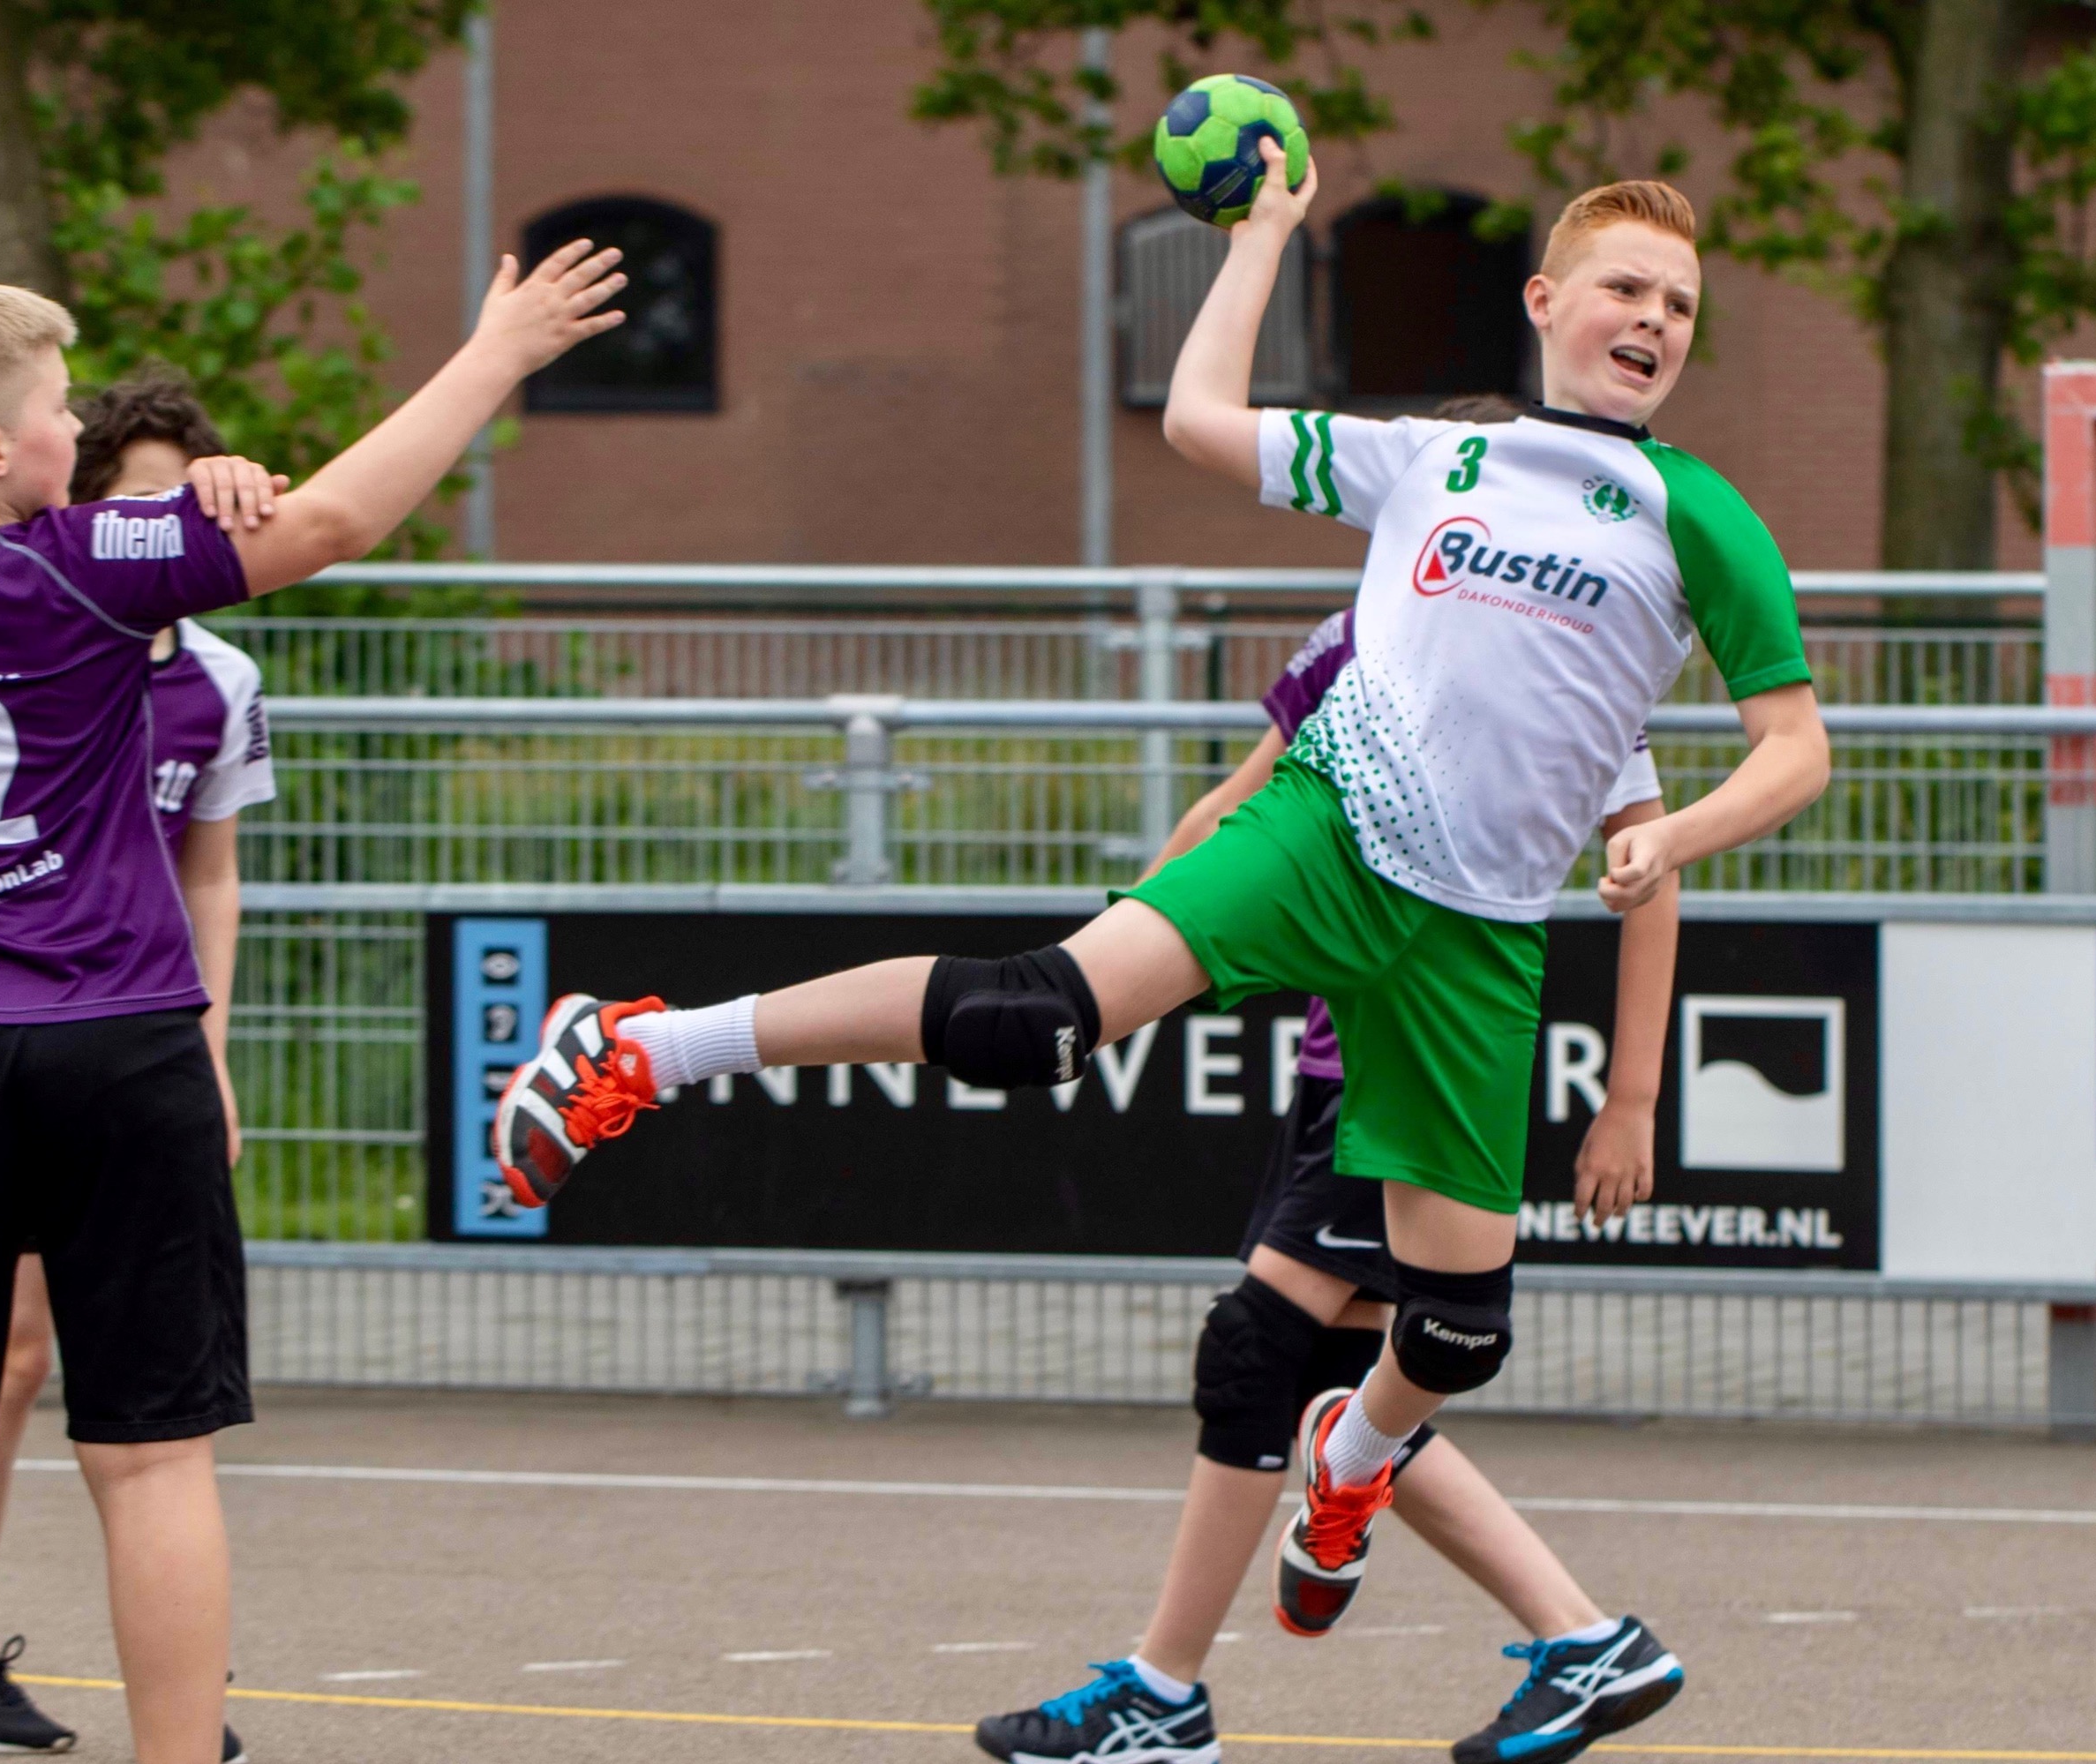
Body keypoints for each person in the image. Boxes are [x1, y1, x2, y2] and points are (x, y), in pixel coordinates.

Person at [497, 149, 1825, 1650]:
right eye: (1626, 289)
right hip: (1331, 830)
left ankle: (1356, 1452)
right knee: (1031, 1019)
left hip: (1480, 929)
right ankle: (639, 1049)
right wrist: (1261, 235)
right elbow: (1197, 420)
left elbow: (1797, 746)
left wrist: (1680, 837)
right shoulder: (1434, 460)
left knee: (1457, 1335)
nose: (1655, 318)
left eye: (1682, 305)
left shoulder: (1697, 515)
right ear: (1545, 304)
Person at [0, 243, 624, 1764]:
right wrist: (496, 354)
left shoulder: (76, 534)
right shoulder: (74, 560)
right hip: (115, 1038)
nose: (76, 434)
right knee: (148, 1464)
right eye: (60, 411)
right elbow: (330, 519)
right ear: (0, 451)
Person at [975, 580, 1687, 1764]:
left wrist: (1632, 1097)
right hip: (1334, 1068)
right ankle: (1587, 1643)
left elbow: (1651, 872)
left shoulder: (1563, 666)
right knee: (1345, 1392)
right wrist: (1113, 971)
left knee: (1261, 1350)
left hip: (1414, 1062)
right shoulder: (1357, 636)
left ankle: (1163, 1693)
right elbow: (1233, 807)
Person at [0, 370, 276, 1759]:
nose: (148, 508)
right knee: (21, 1365)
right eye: (121, 486)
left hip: (118, 1028)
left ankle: (175, 1719)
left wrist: (210, 1051)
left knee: (119, 1412)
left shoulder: (214, 678)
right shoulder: (52, 599)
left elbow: (211, 877)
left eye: (175, 486)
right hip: (30, 1027)